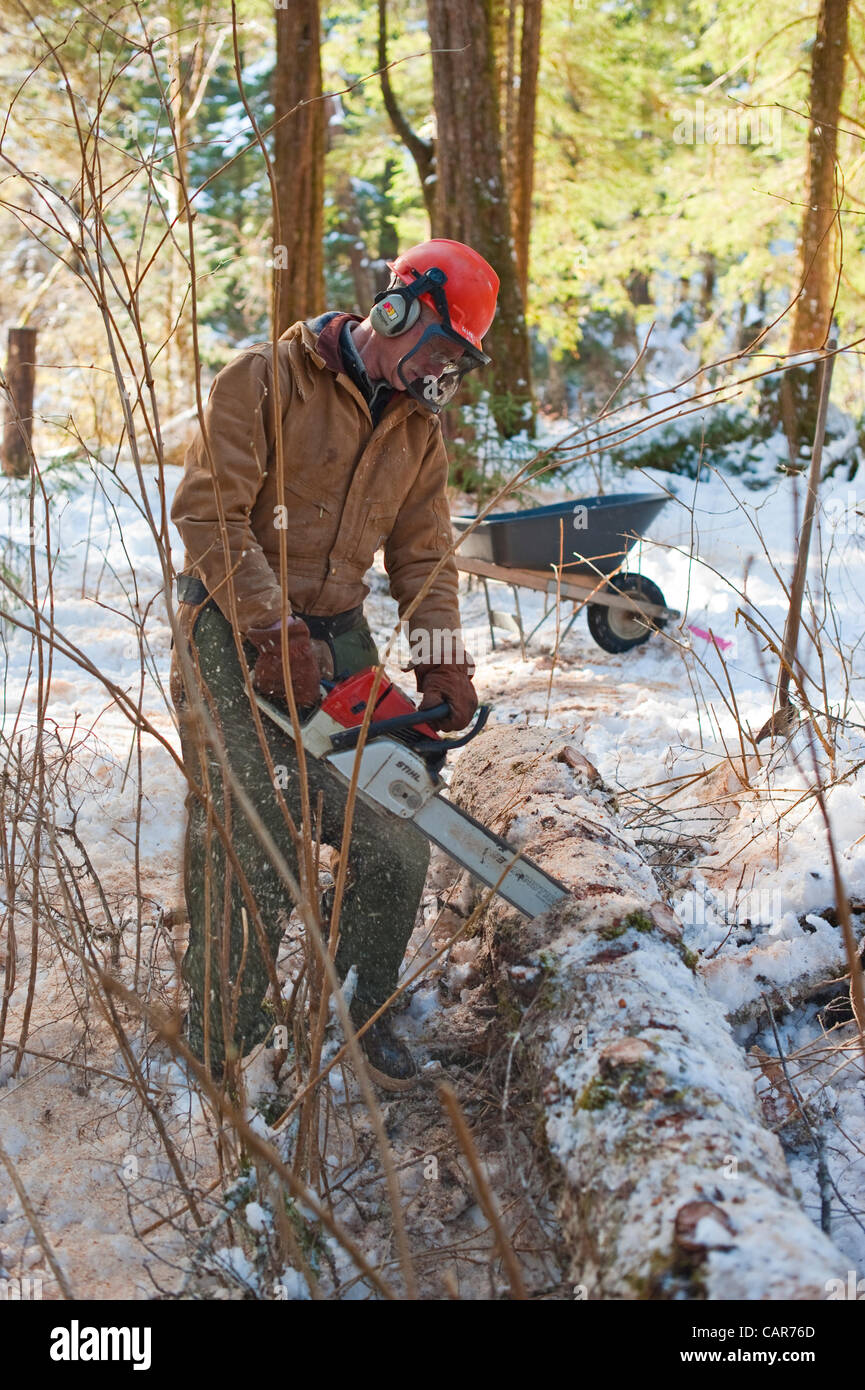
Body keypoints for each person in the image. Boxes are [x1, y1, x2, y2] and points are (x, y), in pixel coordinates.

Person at [169, 239, 500, 1088]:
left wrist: (440, 665)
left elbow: (423, 560)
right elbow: (210, 516)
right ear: (394, 308)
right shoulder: (262, 380)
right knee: (253, 823)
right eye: (434, 347)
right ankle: (225, 1035)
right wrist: (269, 624)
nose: (436, 370)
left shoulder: (416, 429)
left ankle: (357, 1010)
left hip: (337, 629)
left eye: (452, 361)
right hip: (230, 619)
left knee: (394, 822)